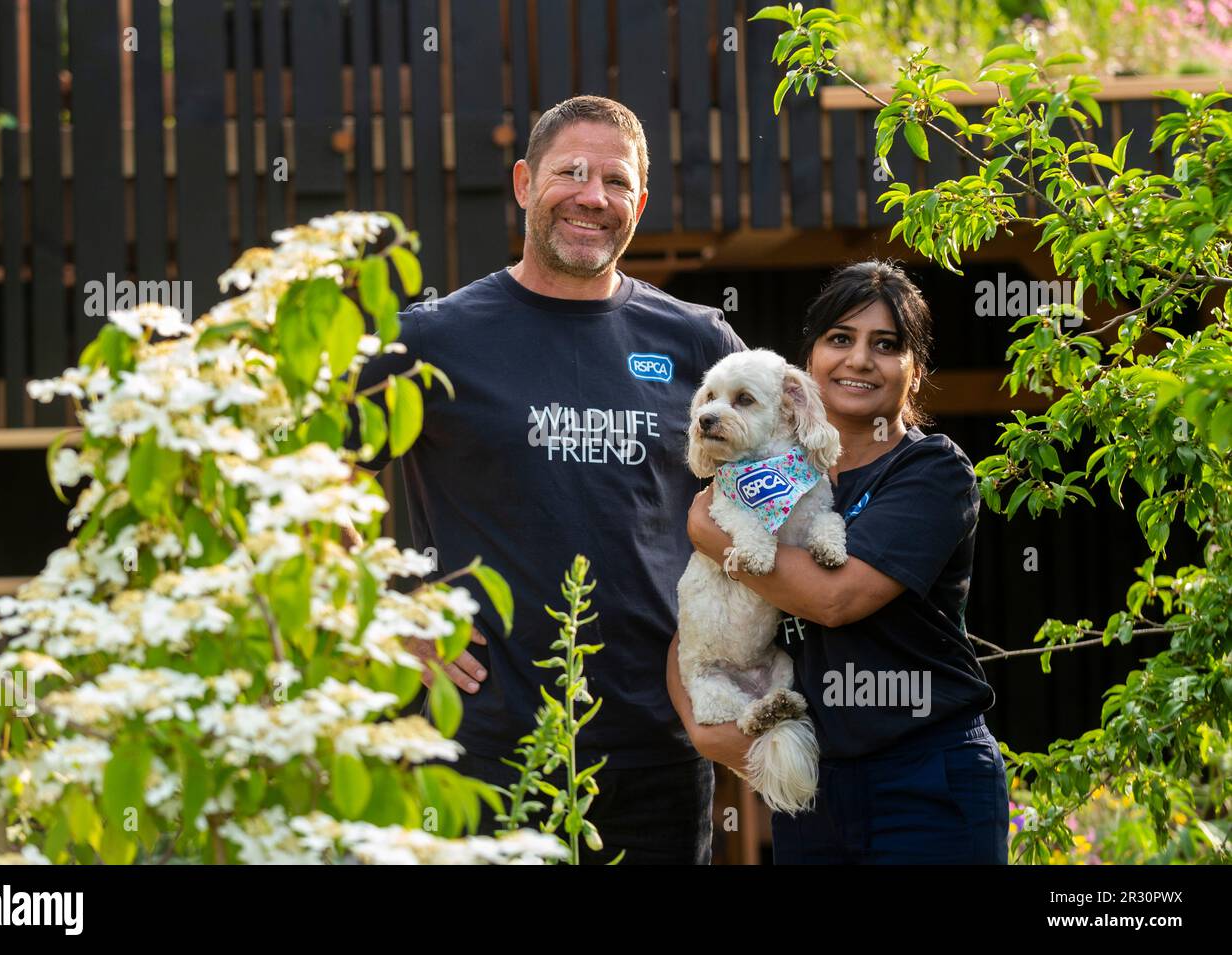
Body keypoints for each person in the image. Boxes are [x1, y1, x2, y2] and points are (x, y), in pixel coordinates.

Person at [350, 95, 747, 864]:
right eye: (570, 172)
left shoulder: (701, 343)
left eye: (615, 180)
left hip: (658, 745)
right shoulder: (431, 338)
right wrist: (382, 611)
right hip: (482, 747)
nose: (593, 196)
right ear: (525, 183)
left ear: (640, 202)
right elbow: (313, 481)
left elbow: (776, 490)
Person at [668, 260, 1009, 864]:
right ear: (808, 364)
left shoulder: (931, 472)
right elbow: (698, 618)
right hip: (816, 788)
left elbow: (834, 600)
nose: (858, 360)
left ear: (914, 369)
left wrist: (710, 534)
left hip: (924, 779)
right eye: (840, 339)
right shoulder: (763, 479)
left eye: (886, 345)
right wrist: (697, 720)